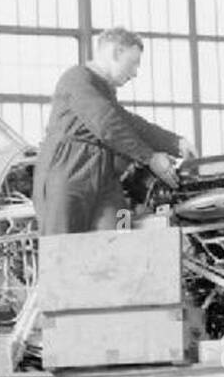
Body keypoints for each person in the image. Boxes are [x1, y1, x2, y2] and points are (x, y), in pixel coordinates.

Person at [32, 27, 197, 235]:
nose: (135, 73)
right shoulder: (77, 78)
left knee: (119, 237)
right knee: (62, 251)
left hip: (103, 176)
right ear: (116, 53)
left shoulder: (104, 93)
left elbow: (131, 123)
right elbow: (107, 124)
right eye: (133, 63)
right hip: (67, 174)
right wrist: (150, 157)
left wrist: (175, 143)